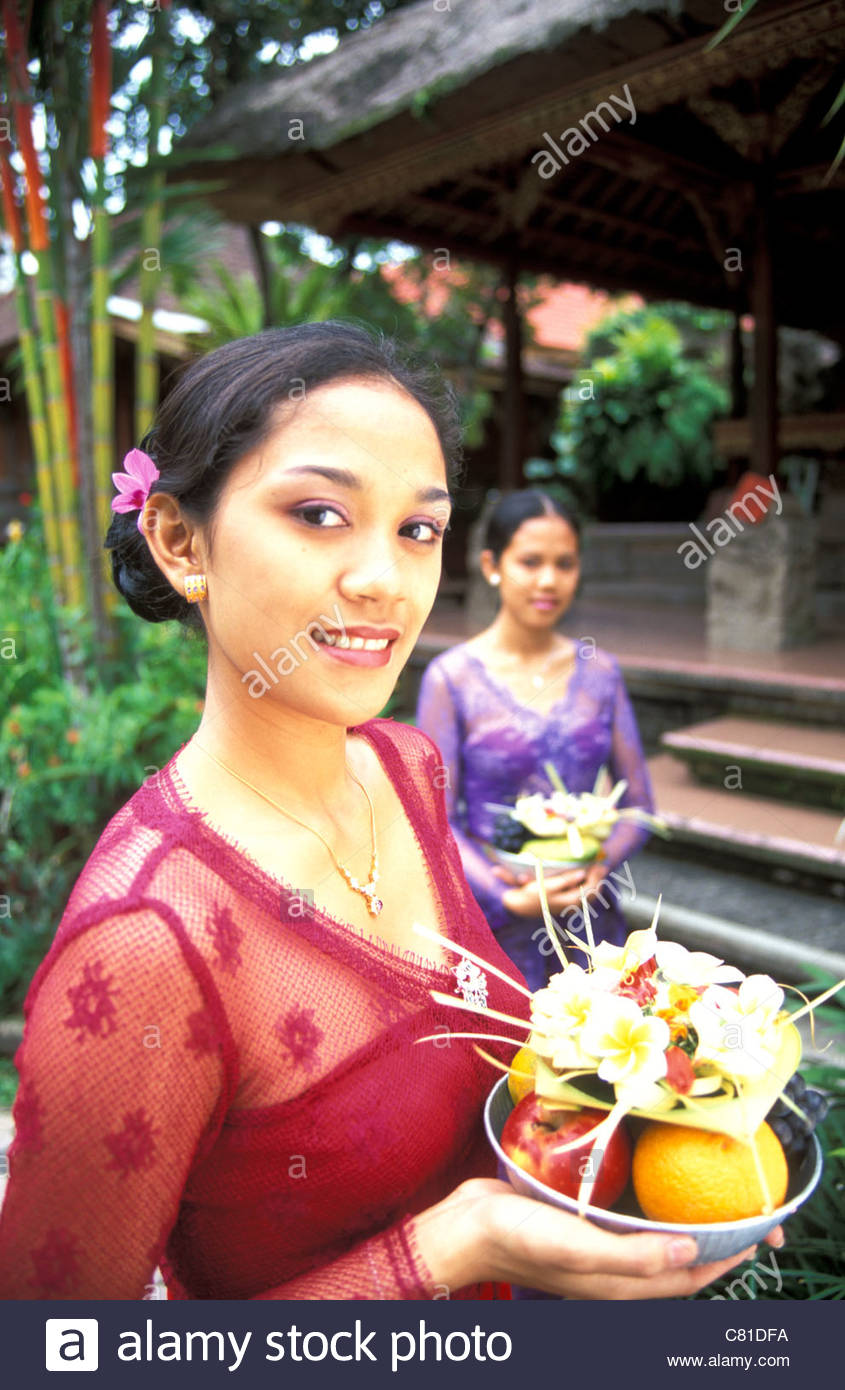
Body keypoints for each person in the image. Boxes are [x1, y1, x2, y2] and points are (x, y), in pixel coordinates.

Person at [0, 325, 776, 1300]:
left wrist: (652, 1069)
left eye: (417, 529)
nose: (383, 581)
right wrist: (448, 1253)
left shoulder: (404, 769)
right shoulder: (147, 946)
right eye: (319, 512)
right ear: (179, 540)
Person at [416, 491, 656, 991]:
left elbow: (638, 806)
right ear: (492, 565)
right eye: (530, 562)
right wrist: (505, 897)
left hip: (590, 920)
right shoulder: (452, 679)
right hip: (494, 919)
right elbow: (435, 820)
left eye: (564, 564)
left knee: (594, 1056)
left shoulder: (601, 672)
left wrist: (601, 864)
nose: (548, 580)